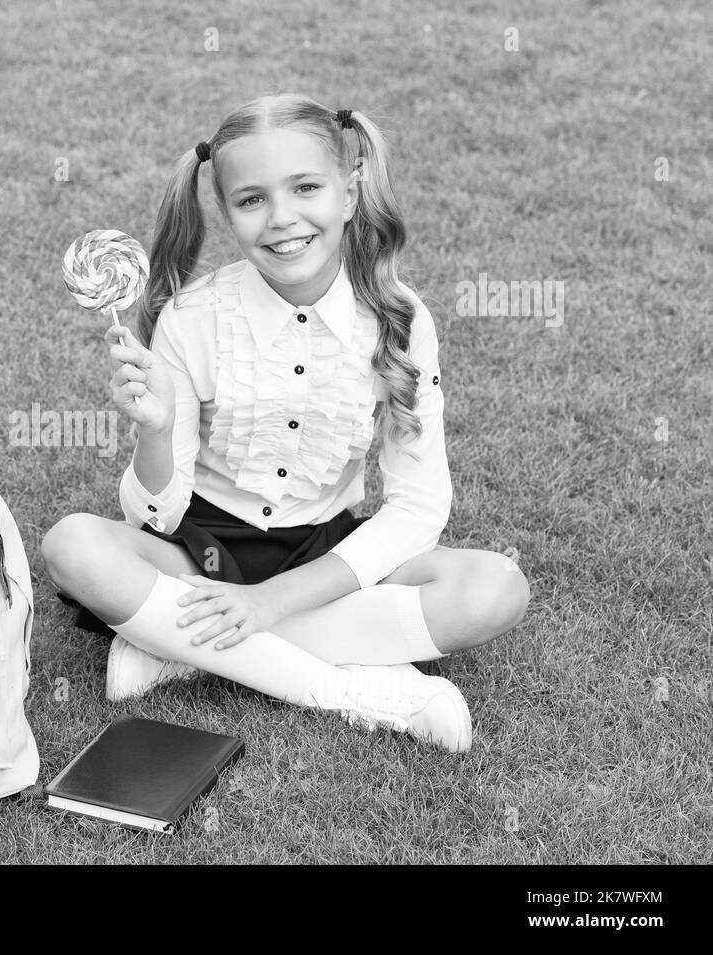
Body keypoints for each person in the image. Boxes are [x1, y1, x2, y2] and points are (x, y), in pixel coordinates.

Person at [41, 94, 530, 753]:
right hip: (198, 553)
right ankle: (357, 692)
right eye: (252, 200)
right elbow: (154, 515)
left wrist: (271, 602)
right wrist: (154, 429)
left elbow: (418, 507)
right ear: (226, 211)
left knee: (494, 588)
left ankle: (180, 647)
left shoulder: (399, 320)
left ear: (350, 192)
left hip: (324, 556)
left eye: (305, 188)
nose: (282, 220)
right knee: (72, 544)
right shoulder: (192, 319)